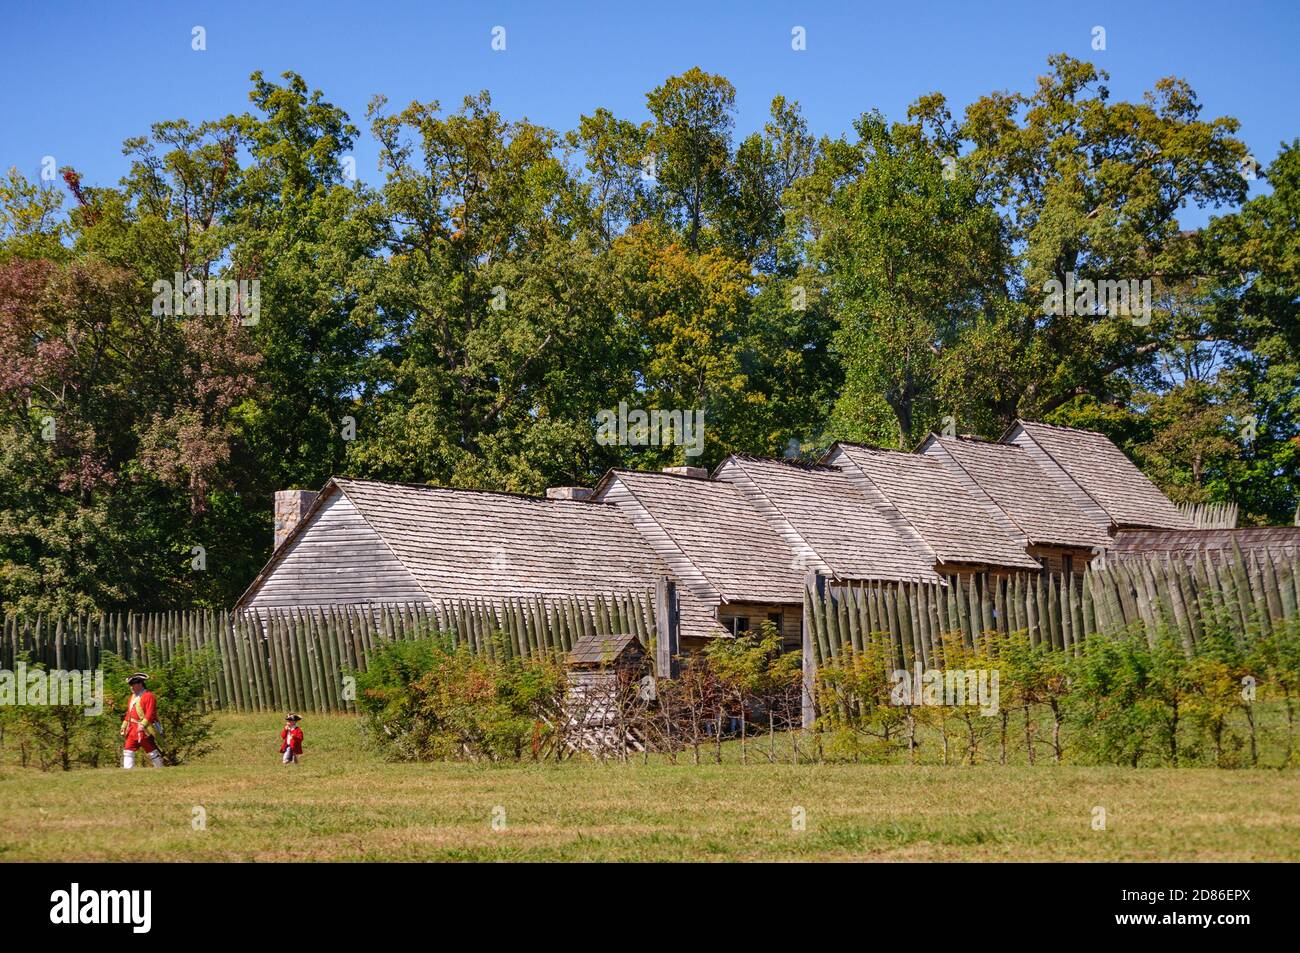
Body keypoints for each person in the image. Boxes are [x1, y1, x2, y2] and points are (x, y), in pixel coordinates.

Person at [121, 673, 164, 769]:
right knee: (128, 749)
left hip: (144, 729)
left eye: (133, 684)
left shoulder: (148, 696)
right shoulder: (132, 697)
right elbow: (129, 713)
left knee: (150, 748)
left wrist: (143, 725)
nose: (131, 687)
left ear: (140, 684)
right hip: (132, 728)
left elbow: (150, 712)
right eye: (130, 685)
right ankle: (127, 771)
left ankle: (160, 768)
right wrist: (124, 725)